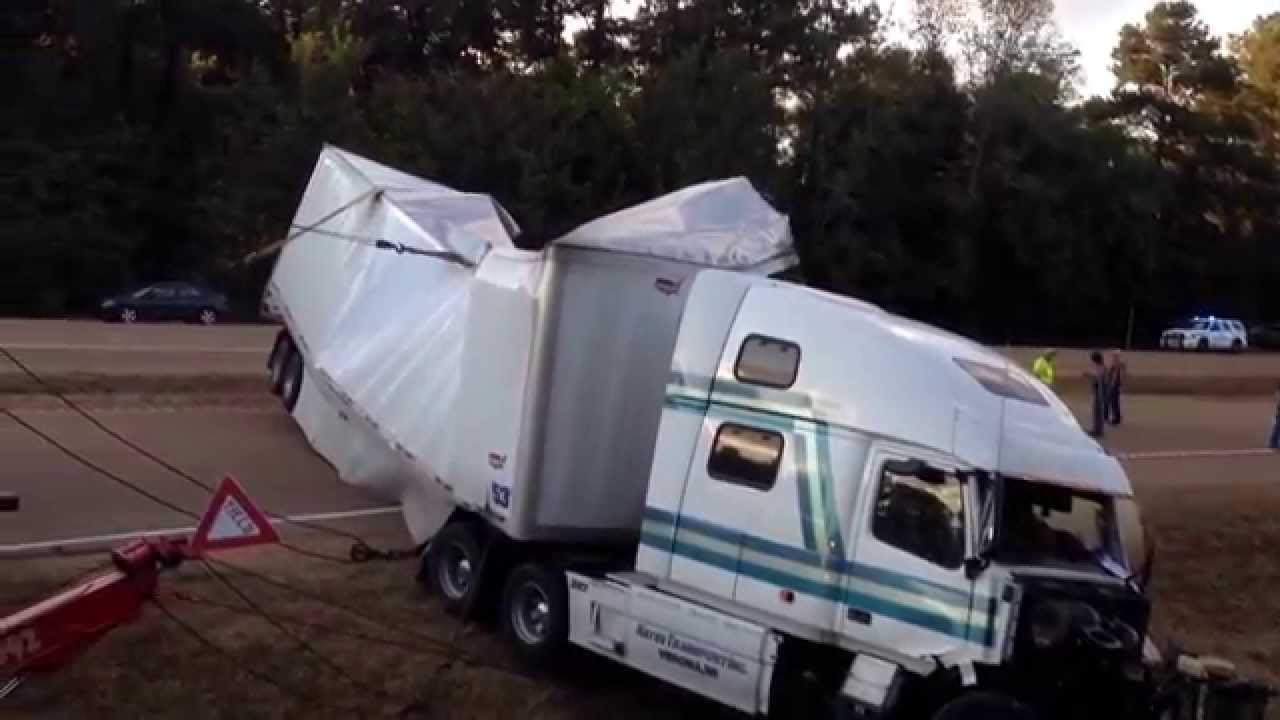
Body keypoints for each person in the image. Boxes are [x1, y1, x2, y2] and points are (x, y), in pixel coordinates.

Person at [1086, 351, 1107, 438]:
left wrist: (1088, 375)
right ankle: (1097, 429)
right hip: (1099, 390)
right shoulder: (1101, 366)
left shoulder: (1101, 367)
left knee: (1098, 411)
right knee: (1097, 411)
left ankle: (1098, 430)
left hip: (1100, 391)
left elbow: (1098, 377)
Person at [1105, 350, 1128, 426]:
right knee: (1114, 402)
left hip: (1114, 385)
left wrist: (1112, 384)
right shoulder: (1118, 364)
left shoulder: (1117, 364)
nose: (1113, 357)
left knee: (1114, 402)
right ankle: (1117, 417)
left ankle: (1117, 418)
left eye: (1115, 355)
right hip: (1114, 385)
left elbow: (1117, 376)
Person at [1269, 384, 1280, 451]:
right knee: (1277, 427)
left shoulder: (1278, 393)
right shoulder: (1278, 393)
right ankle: (1273, 444)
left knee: (1277, 427)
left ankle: (1273, 443)